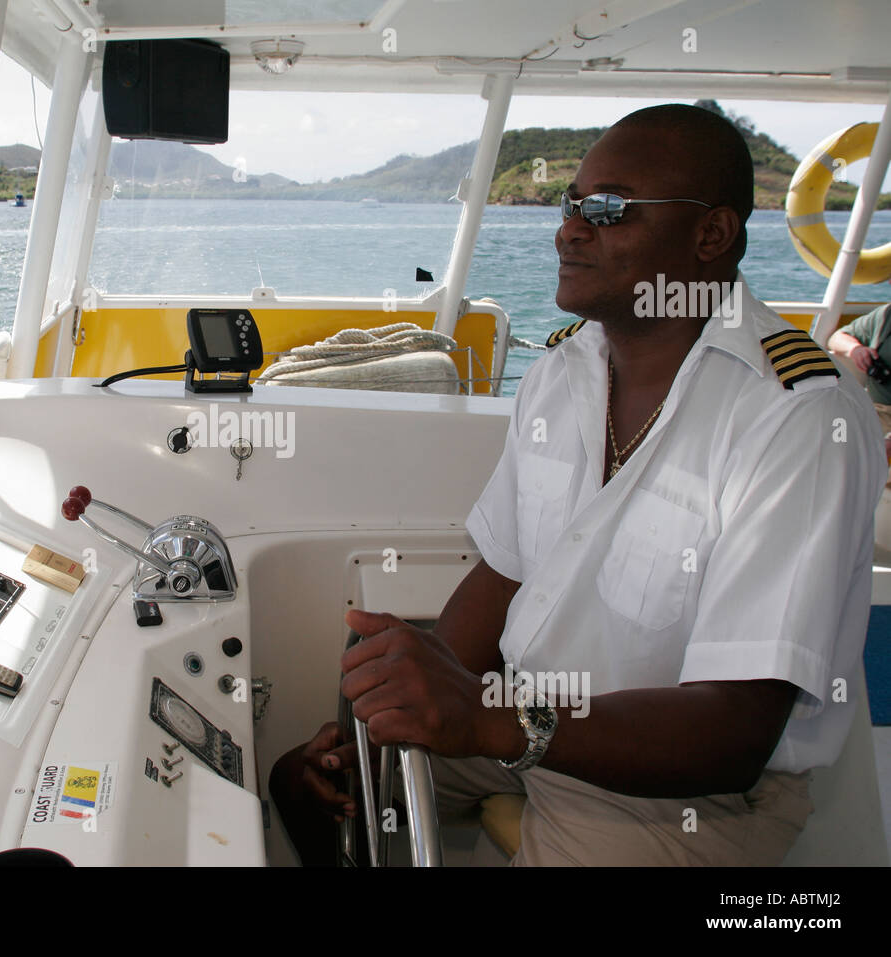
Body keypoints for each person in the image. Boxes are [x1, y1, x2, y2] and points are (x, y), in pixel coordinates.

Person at [269, 104, 887, 866]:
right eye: (571, 205)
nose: (568, 230)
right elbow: (503, 577)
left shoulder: (796, 415)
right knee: (305, 783)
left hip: (684, 795)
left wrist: (492, 721)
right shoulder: (564, 373)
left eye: (607, 210)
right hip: (532, 722)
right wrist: (412, 709)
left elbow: (733, 733)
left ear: (711, 235)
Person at [827, 301, 891, 464]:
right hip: (874, 412)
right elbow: (837, 338)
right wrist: (855, 349)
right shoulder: (885, 316)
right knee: (827, 433)